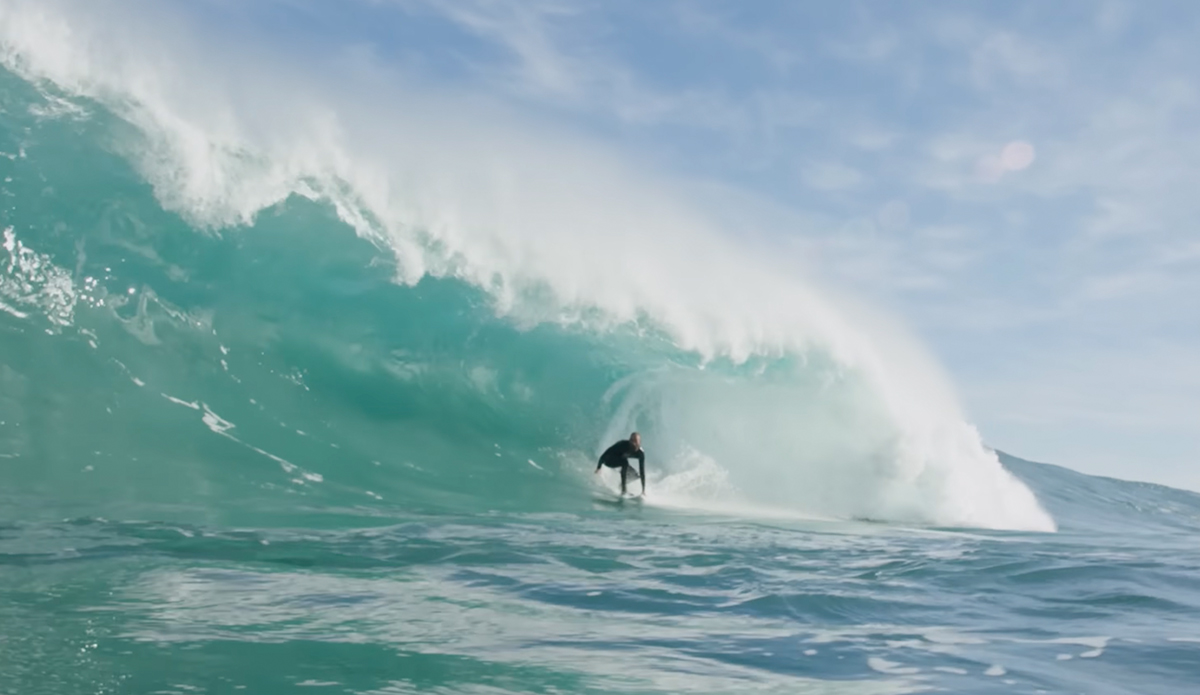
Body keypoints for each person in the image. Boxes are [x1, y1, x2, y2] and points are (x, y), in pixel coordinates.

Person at [595, 432, 645, 496]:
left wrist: (643, 491)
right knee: (625, 463)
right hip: (608, 461)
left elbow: (642, 471)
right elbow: (605, 454)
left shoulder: (640, 453)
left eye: (636, 441)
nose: (633, 443)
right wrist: (598, 467)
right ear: (629, 441)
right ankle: (624, 491)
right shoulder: (622, 445)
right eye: (632, 440)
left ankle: (621, 485)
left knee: (635, 475)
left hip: (619, 461)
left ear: (639, 443)